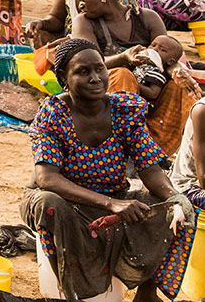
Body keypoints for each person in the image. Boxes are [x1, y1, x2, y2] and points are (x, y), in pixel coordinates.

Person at [22, 38, 194, 302]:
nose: (95, 78)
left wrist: (174, 196)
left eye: (99, 69)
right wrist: (111, 204)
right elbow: (47, 179)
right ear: (64, 80)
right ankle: (75, 292)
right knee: (50, 204)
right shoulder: (53, 113)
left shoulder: (124, 110)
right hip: (65, 200)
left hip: (113, 197)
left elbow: (150, 168)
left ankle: (147, 294)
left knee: (175, 208)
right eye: (82, 72)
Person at [68, 0, 200, 155]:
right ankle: (122, 146)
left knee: (181, 87)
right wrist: (123, 58)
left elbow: (170, 56)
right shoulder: (84, 22)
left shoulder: (147, 18)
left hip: (150, 88)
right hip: (104, 94)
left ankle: (154, 150)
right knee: (123, 75)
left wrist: (178, 71)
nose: (80, 4)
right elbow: (86, 64)